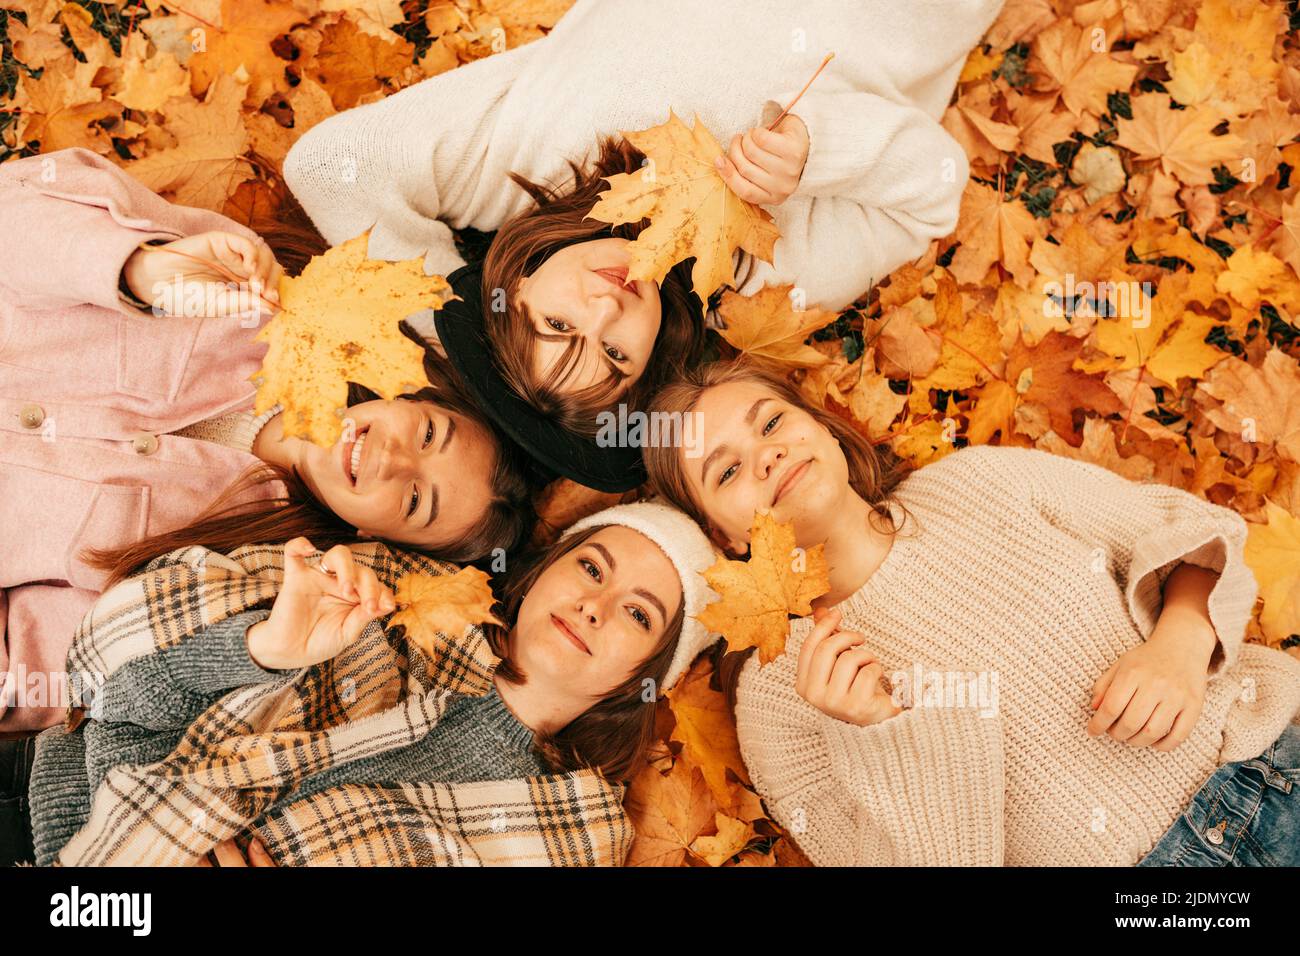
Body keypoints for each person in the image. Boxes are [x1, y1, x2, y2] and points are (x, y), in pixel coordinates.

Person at [284, 0, 1004, 483]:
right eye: (616, 356)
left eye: (558, 325)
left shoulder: (507, 173)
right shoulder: (756, 276)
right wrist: (821, 149)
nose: (605, 310)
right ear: (651, 364)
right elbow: (934, 190)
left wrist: (454, 338)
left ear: (516, 289)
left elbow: (328, 168)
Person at [643, 358, 1300, 866]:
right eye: (726, 473)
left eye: (772, 422)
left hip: (1268, 762)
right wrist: (880, 732)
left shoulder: (979, 483)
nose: (767, 454)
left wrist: (1181, 645)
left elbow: (1189, 531)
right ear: (723, 536)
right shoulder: (777, 699)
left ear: (820, 425)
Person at [0, 148, 532, 732]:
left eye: (414, 501)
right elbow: (15, 207)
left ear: (374, 537)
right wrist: (137, 270)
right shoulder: (262, 303)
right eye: (429, 434)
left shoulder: (228, 574)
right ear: (415, 396)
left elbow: (35, 672)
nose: (394, 459)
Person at [0, 501, 721, 866]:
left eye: (637, 613)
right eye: (592, 567)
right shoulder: (394, 595)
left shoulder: (572, 834)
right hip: (32, 801)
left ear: (643, 676)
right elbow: (110, 676)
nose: (594, 605)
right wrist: (263, 649)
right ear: (546, 569)